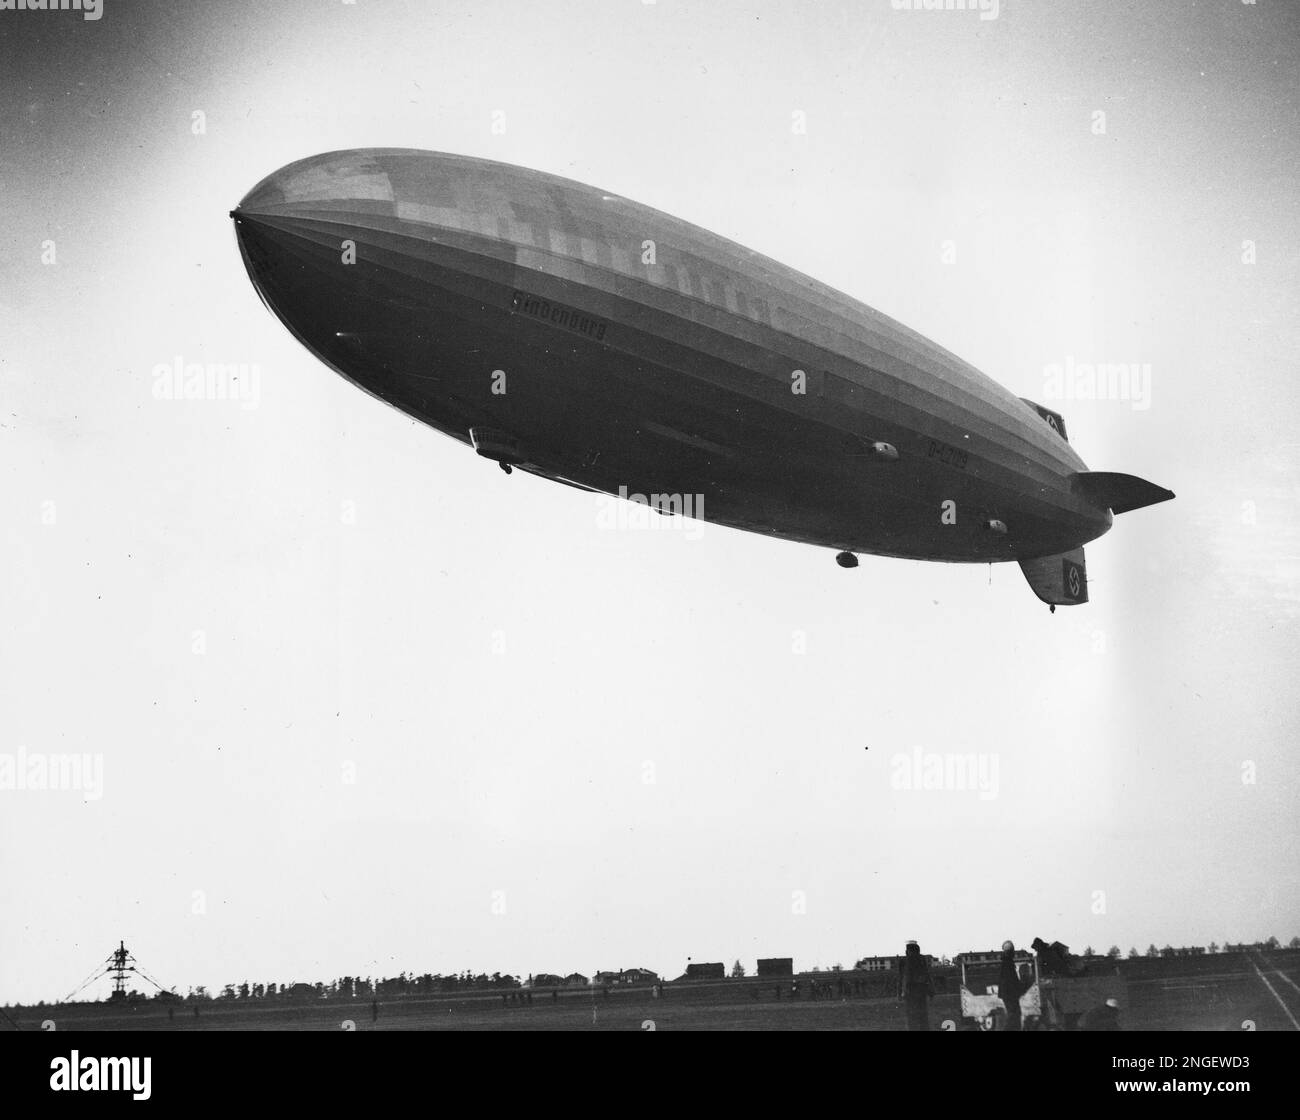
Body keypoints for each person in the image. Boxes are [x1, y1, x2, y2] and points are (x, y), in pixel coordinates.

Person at [898, 941, 934, 1031]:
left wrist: (901, 992)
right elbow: (927, 975)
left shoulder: (905, 960)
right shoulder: (922, 959)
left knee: (911, 1017)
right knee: (923, 1016)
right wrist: (931, 991)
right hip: (921, 991)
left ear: (908, 950)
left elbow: (904, 976)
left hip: (910, 992)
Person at [998, 941, 1027, 1031]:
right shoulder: (1008, 963)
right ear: (1010, 951)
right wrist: (1020, 988)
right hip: (1010, 994)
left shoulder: (1006, 961)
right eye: (1012, 950)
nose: (1014, 952)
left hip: (1008, 994)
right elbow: (1010, 980)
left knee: (1014, 1015)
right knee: (1013, 1015)